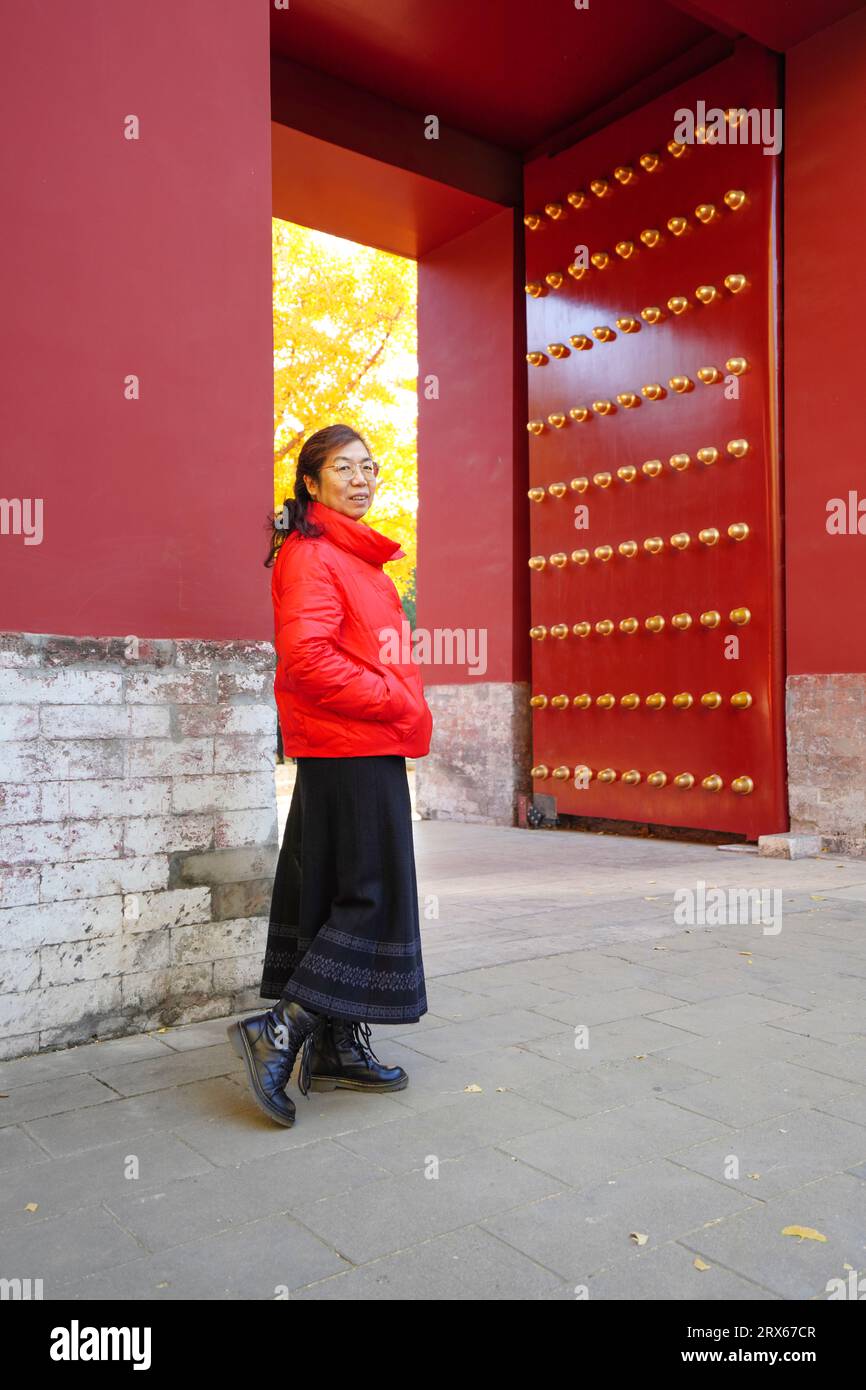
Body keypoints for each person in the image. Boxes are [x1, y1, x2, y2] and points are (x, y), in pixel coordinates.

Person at [227, 424, 433, 1127]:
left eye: (370, 466)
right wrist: (395, 702)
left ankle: (338, 1046)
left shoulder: (360, 561)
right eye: (343, 467)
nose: (362, 477)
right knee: (370, 897)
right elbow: (307, 662)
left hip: (356, 746)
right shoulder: (313, 556)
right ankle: (277, 1032)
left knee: (337, 889)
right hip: (352, 747)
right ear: (311, 483)